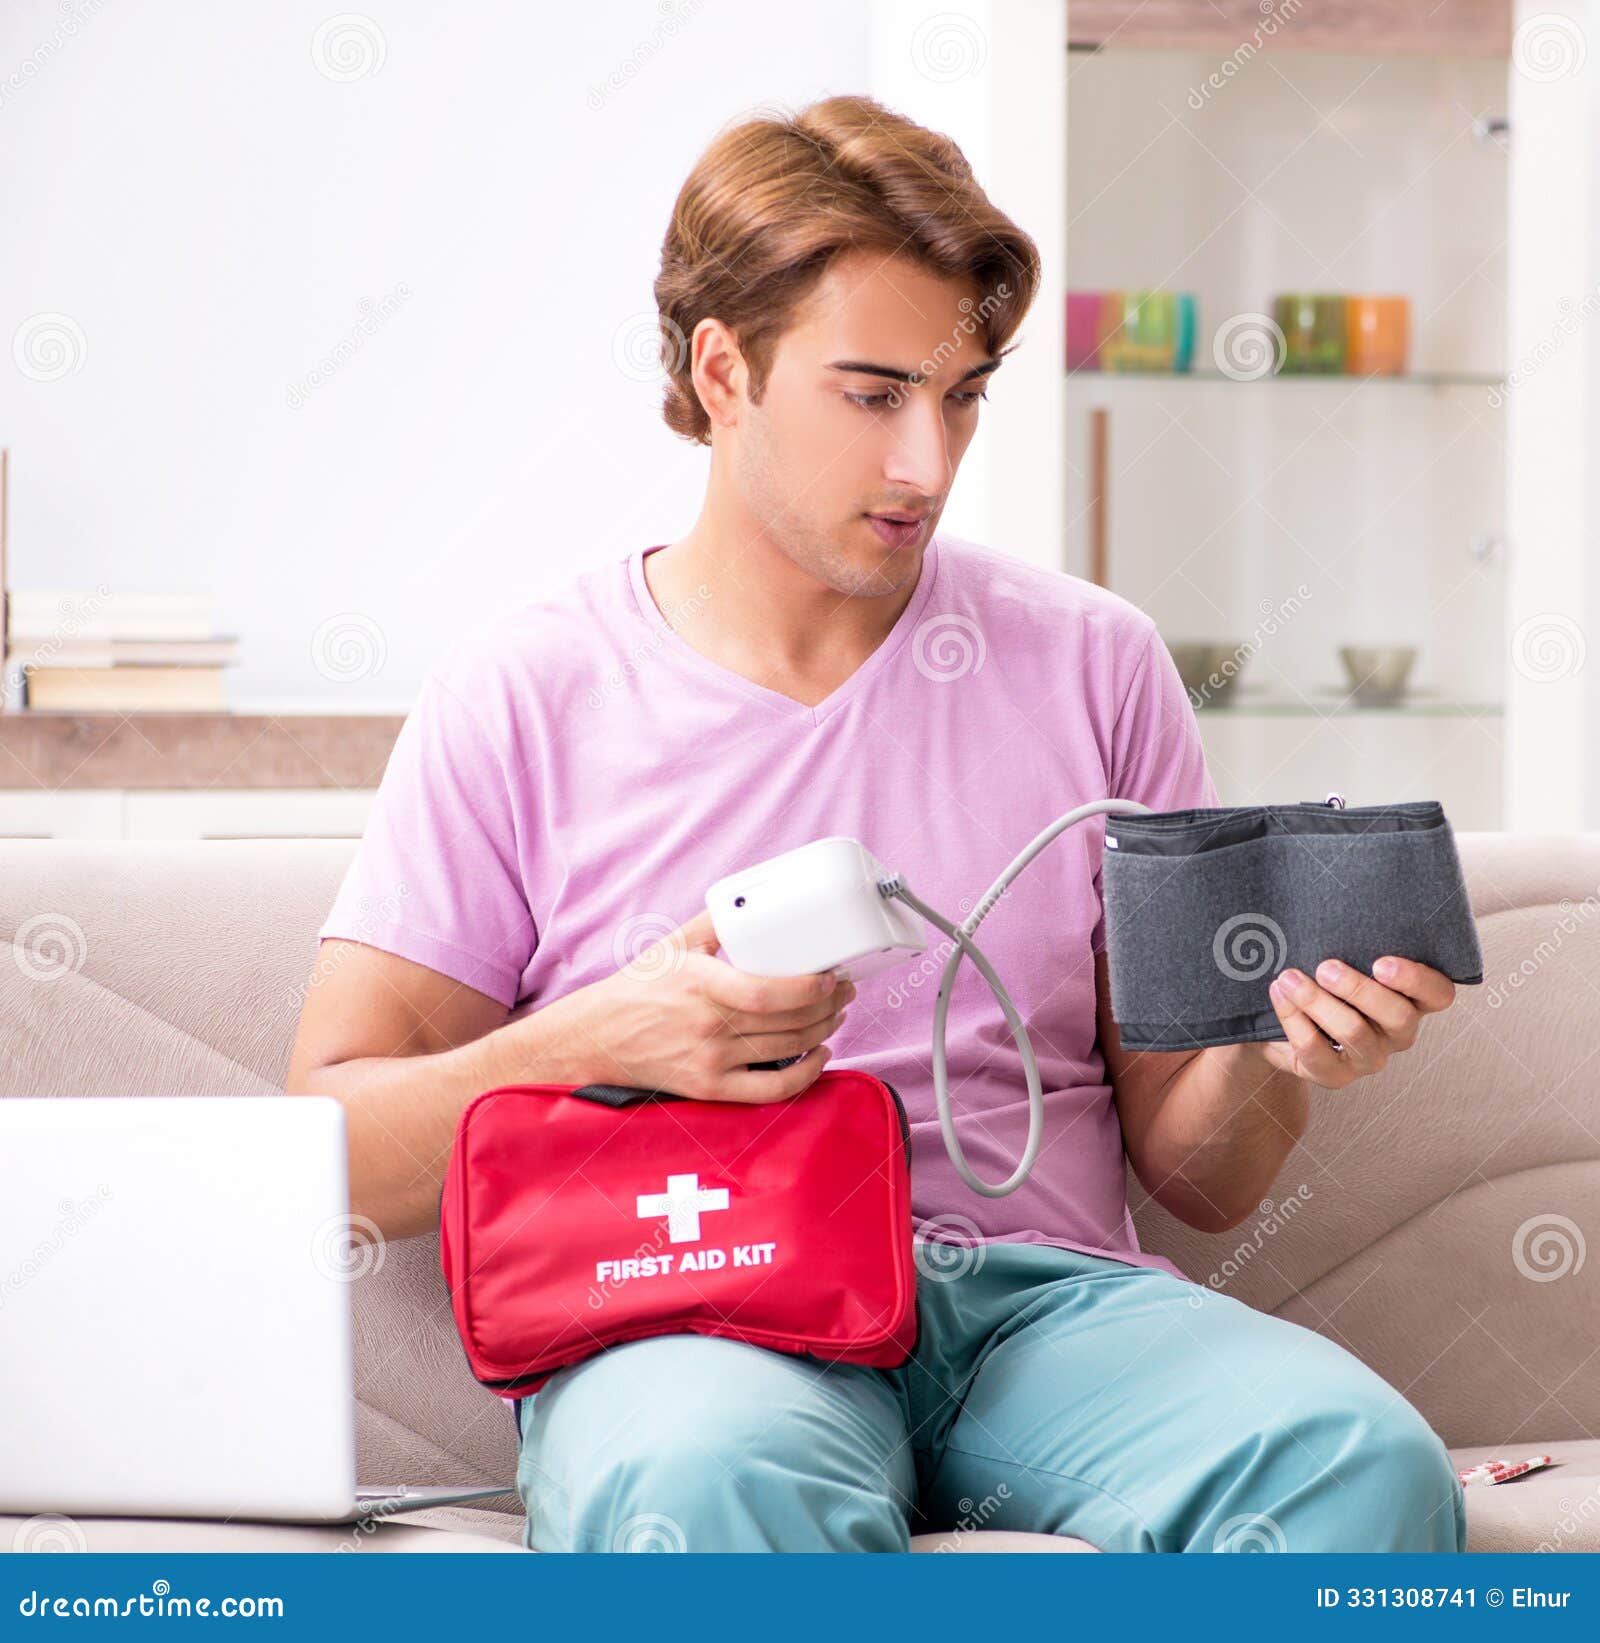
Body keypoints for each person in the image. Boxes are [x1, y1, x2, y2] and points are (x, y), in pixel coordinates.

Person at [288, 94, 1467, 1554]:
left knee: (1357, 1467)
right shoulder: (526, 691)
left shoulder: (1096, 663)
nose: (930, 459)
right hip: (705, 1306)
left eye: (964, 393)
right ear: (723, 370)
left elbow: (1198, 1176)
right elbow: (329, 1146)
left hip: (1043, 1310)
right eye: (874, 393)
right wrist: (603, 1037)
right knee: (712, 1486)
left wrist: (1278, 1061)